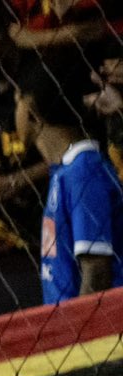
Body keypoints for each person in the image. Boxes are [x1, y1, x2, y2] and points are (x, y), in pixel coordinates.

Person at [21, 55, 123, 304]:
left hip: (88, 334)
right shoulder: (65, 170)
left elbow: (96, 274)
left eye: (16, 101)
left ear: (33, 112)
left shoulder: (84, 171)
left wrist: (76, 341)